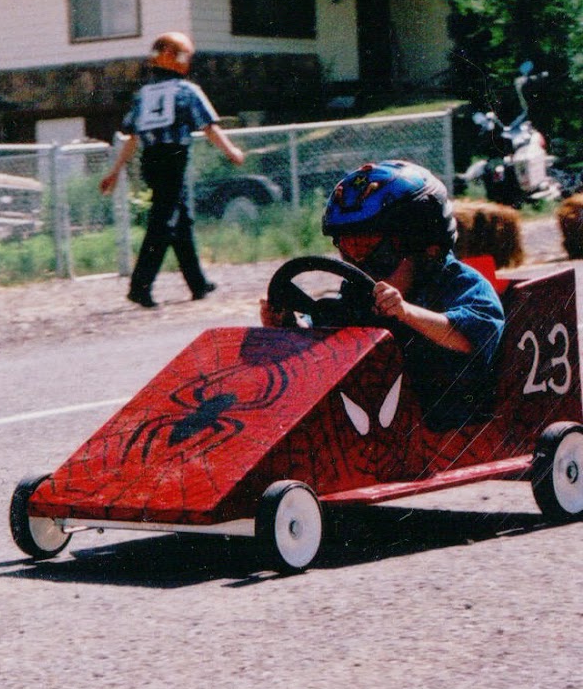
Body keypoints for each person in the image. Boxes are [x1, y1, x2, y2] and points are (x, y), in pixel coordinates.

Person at [262, 159, 506, 431]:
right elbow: (332, 342)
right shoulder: (359, 290)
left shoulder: (462, 284)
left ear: (426, 246)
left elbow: (474, 338)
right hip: (382, 418)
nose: (360, 264)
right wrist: (290, 327)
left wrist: (405, 312)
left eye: (369, 248)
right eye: (348, 248)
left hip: (447, 414)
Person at [99, 32, 247, 307]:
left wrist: (116, 170)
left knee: (181, 219)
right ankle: (140, 286)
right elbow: (208, 126)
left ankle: (198, 283)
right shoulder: (186, 90)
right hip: (174, 158)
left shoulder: (143, 93)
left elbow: (132, 137)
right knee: (164, 223)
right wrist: (231, 151)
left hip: (151, 160)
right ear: (177, 59)